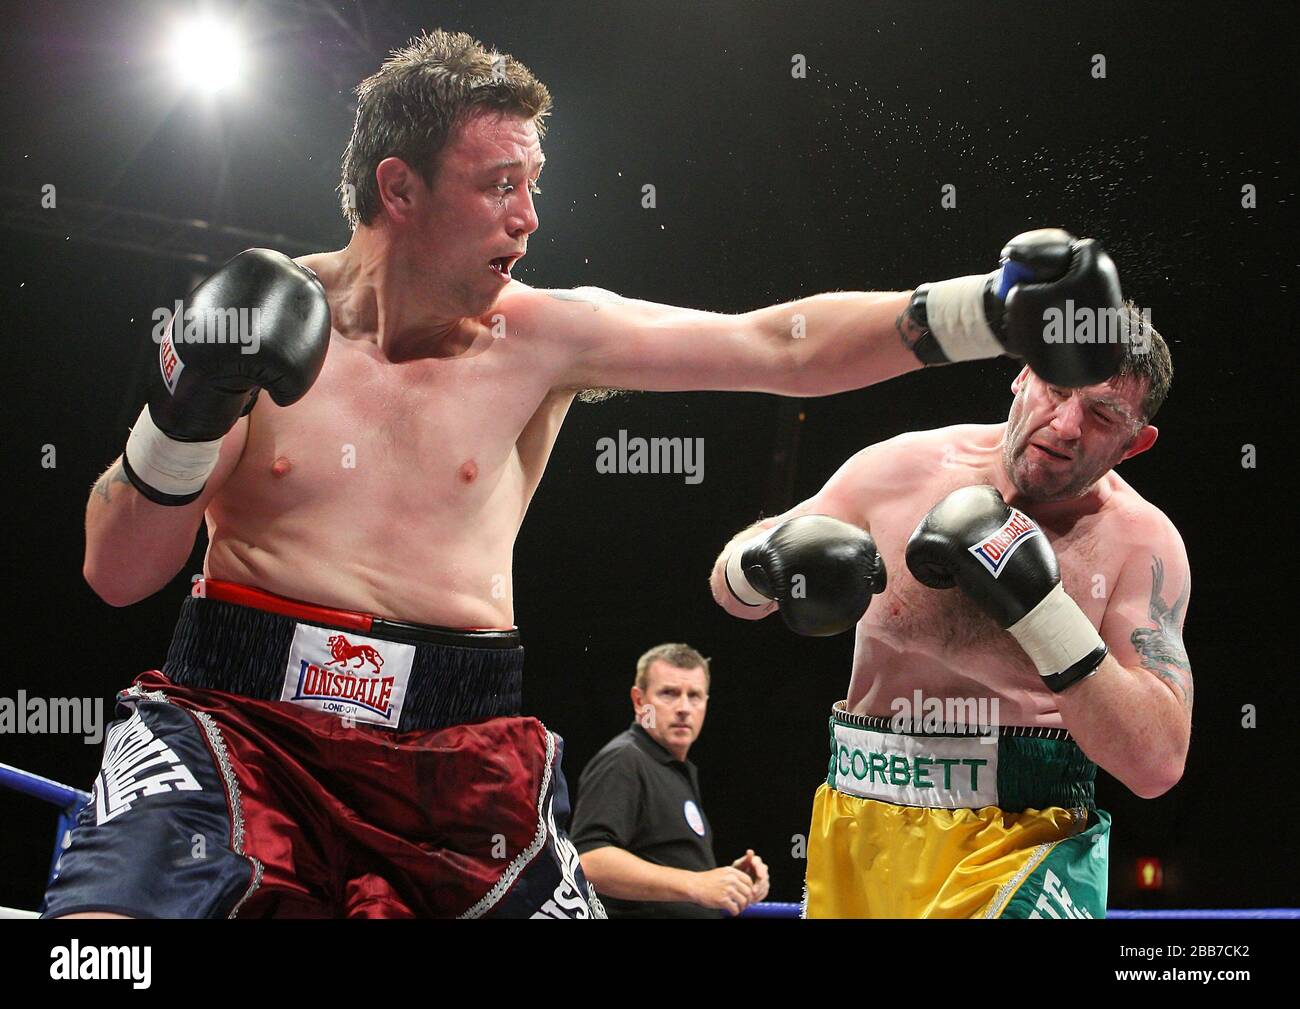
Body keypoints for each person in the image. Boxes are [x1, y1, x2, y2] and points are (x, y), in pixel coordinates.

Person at [46, 28, 1127, 919]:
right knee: (105, 943)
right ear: (399, 187)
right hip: (242, 718)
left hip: (456, 748)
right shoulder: (262, 322)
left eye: (535, 183)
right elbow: (117, 570)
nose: (529, 218)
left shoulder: (544, 338)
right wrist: (187, 410)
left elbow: (777, 345)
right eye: (499, 184)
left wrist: (988, 308)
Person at [711, 308, 1186, 918]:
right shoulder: (898, 470)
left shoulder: (1140, 543)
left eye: (1103, 414)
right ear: (1023, 376)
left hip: (1026, 840)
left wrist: (1043, 612)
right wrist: (759, 568)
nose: (1066, 425)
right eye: (1058, 389)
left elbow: (1157, 763)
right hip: (861, 816)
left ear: (1134, 443)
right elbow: (730, 591)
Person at [570, 644, 769, 918]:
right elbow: (589, 860)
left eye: (695, 696)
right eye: (669, 693)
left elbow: (667, 873)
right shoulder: (625, 759)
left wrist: (728, 881)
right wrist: (696, 884)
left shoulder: (673, 768)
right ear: (639, 701)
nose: (684, 708)